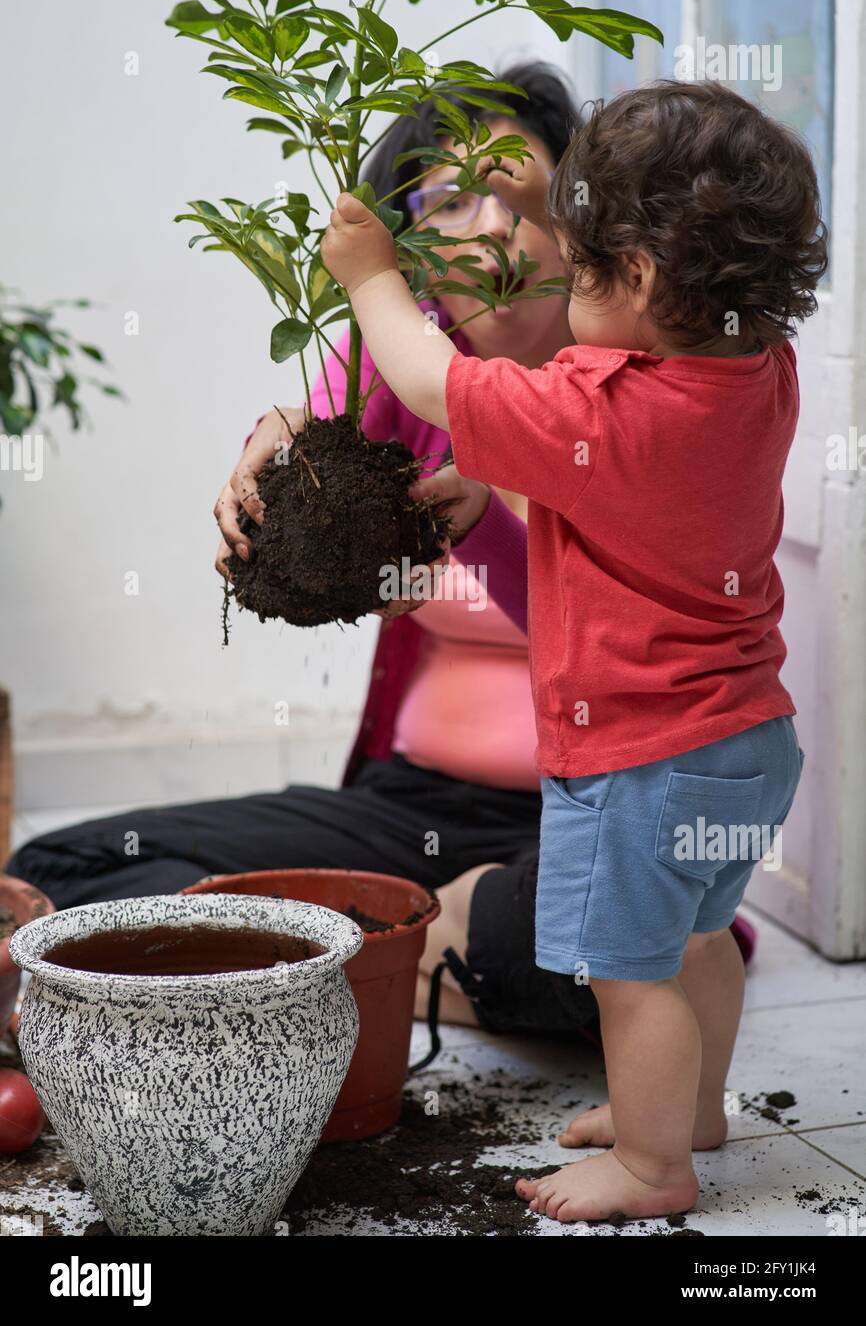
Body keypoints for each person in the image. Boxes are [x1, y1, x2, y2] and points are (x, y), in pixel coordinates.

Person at [6, 64, 607, 1038]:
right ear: (401, 240)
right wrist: (271, 464)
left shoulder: (619, 391)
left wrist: (490, 510)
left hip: (586, 806)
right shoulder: (401, 356)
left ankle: (360, 950)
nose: (492, 229)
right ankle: (404, 941)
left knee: (579, 950)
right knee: (67, 866)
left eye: (517, 196)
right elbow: (314, 442)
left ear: (576, 223)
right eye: (450, 202)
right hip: (404, 806)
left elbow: (601, 629)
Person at [320, 78, 827, 1222]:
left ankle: (655, 1164)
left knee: (627, 970)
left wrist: (373, 278)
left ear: (634, 280)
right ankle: (691, 1109)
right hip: (749, 743)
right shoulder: (759, 373)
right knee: (701, 940)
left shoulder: (596, 415)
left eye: (583, 263)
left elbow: (427, 378)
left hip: (641, 758)